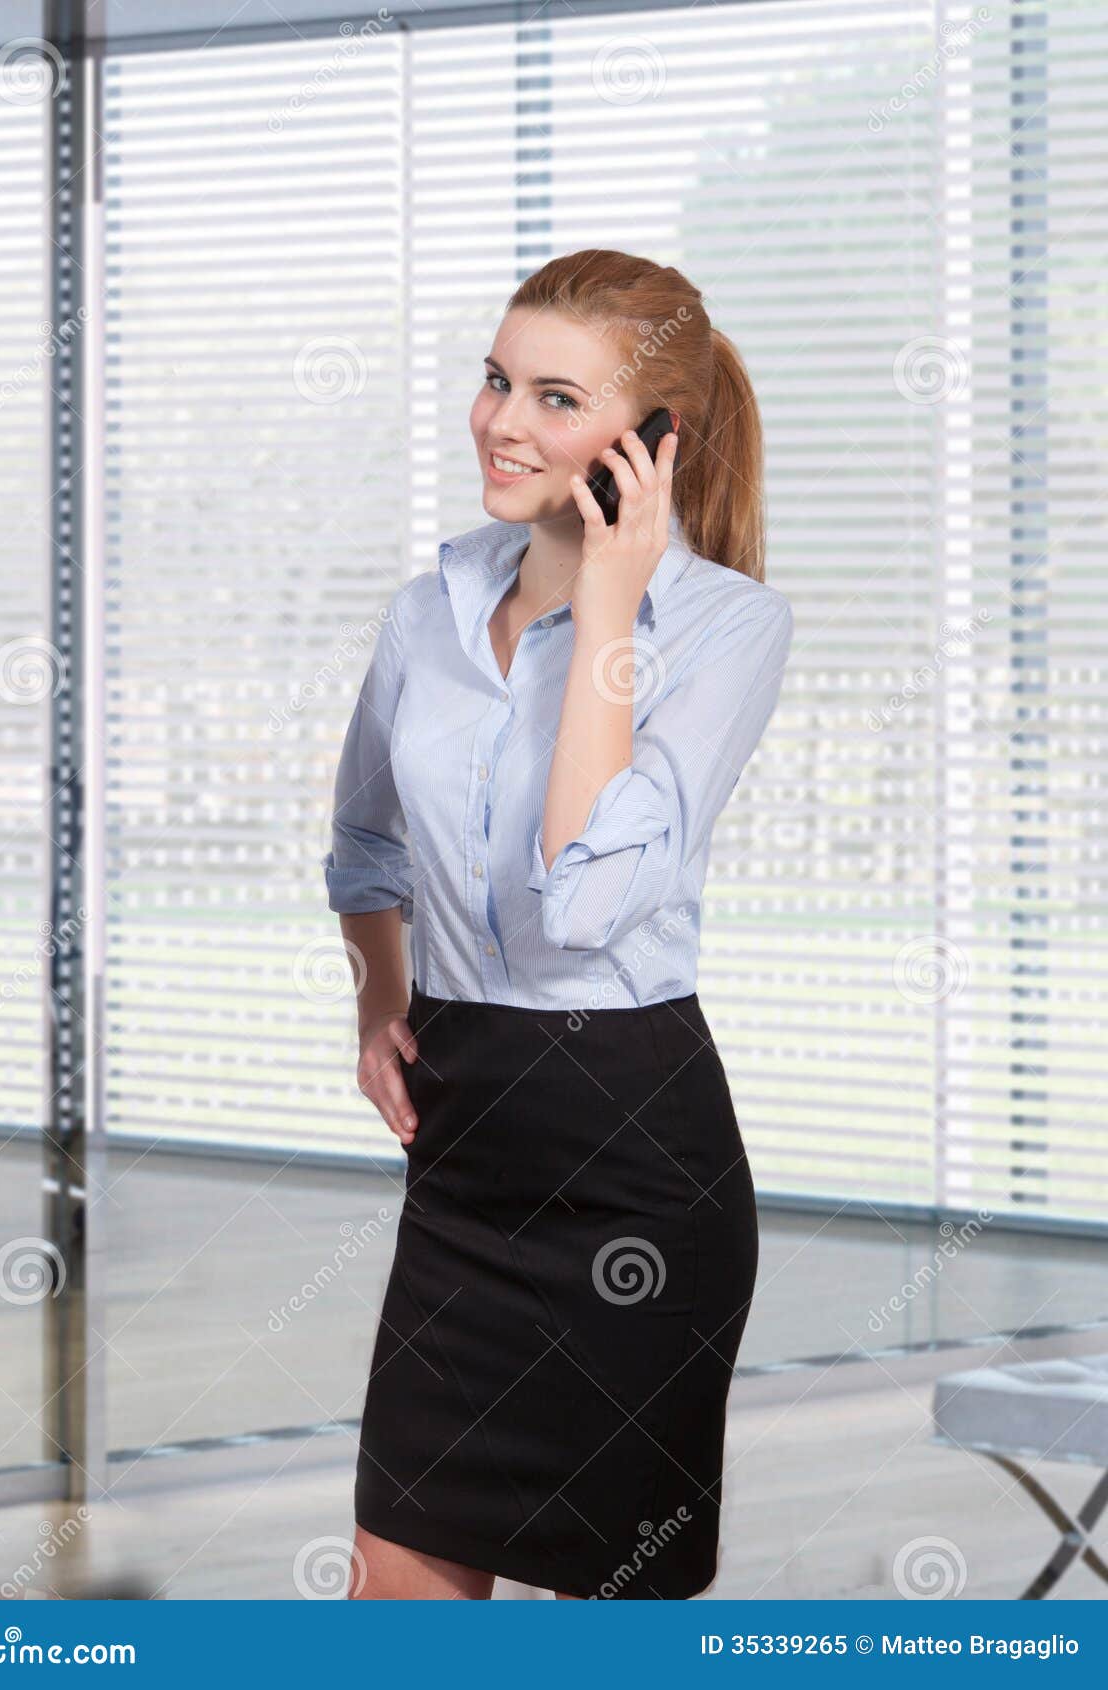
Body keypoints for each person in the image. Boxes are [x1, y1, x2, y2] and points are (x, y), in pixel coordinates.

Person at [321, 248, 794, 1600]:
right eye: (494, 380)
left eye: (554, 396)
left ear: (653, 441)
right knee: (394, 1590)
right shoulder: (428, 613)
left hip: (634, 1161)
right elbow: (364, 839)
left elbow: (583, 896)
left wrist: (602, 605)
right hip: (466, 1159)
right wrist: (378, 1003)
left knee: (610, 1619)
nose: (503, 422)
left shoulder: (725, 629)